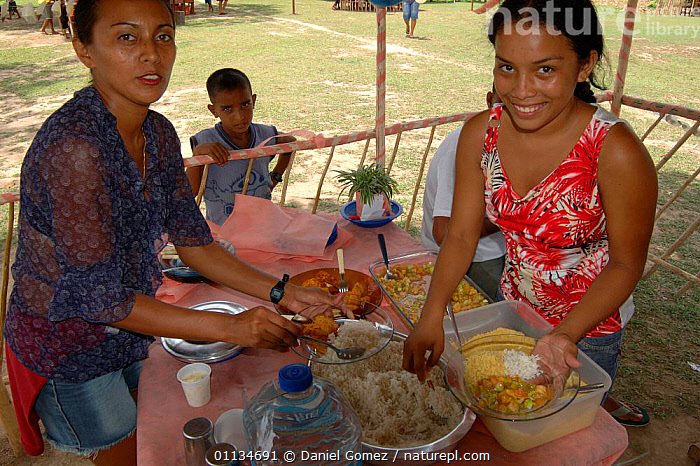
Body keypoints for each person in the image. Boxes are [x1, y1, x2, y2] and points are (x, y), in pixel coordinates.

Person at [3, 1, 347, 465]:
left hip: (131, 322)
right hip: (70, 343)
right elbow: (98, 298)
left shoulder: (158, 133)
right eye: (127, 37)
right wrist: (232, 326)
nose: (151, 54)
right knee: (123, 452)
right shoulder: (75, 150)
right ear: (84, 49)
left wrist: (281, 291)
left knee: (142, 427)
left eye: (163, 36)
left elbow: (193, 241)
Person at [403, 0, 656, 428]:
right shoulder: (480, 134)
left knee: (559, 439)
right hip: (512, 315)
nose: (520, 90)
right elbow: (462, 237)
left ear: (584, 65)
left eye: (544, 70)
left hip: (586, 334)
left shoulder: (615, 151)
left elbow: (627, 263)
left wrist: (564, 336)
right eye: (506, 68)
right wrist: (431, 317)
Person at [186, 68, 293, 226]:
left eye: (245, 104)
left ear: (253, 100)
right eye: (227, 108)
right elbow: (190, 191)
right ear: (213, 110)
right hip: (224, 231)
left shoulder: (265, 135)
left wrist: (275, 177)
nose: (239, 116)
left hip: (264, 226)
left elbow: (291, 143)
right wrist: (198, 155)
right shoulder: (205, 141)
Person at [421, 124, 506, 301]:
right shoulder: (464, 148)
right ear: (490, 101)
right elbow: (443, 233)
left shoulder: (516, 142)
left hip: (492, 249)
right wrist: (505, 219)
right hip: (479, 257)